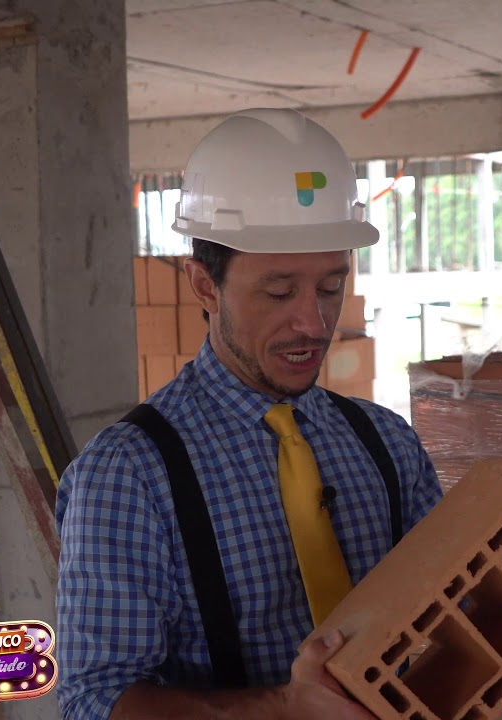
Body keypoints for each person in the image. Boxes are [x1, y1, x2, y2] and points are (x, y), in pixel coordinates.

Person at [55, 109, 444, 719]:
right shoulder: (129, 475)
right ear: (203, 285)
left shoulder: (387, 442)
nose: (314, 322)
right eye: (278, 291)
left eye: (331, 286)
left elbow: (451, 608)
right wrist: (285, 706)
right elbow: (94, 700)